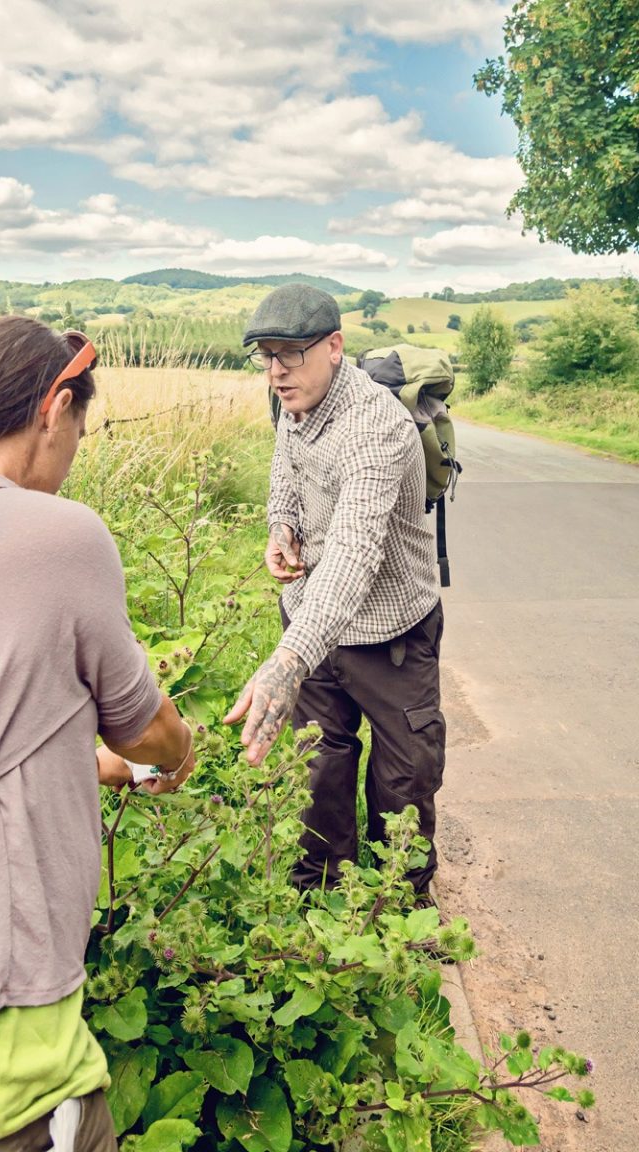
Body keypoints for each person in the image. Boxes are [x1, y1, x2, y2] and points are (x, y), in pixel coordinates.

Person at [0, 316, 195, 1150]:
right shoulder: (60, 536)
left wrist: (89, 767)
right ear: (54, 409)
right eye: (80, 426)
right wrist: (174, 754)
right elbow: (148, 732)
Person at [225, 284, 445, 895]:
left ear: (334, 347)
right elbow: (285, 474)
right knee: (319, 769)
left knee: (405, 779)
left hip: (391, 633)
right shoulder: (294, 402)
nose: (275, 371)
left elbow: (354, 551)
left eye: (289, 353)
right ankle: (318, 897)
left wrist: (289, 659)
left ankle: (400, 903)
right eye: (266, 355)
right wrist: (282, 527)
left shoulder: (377, 426)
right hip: (312, 620)